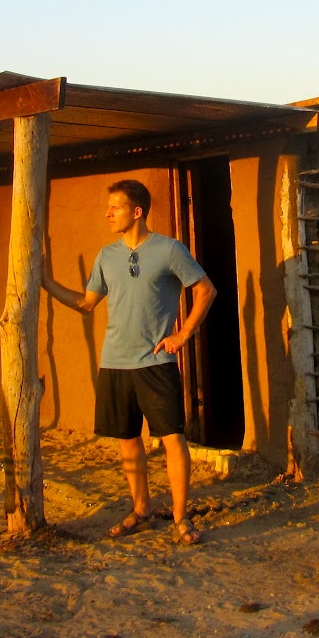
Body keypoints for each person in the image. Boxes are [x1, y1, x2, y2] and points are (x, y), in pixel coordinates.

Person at [43, 179, 215, 545]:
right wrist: (46, 282)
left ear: (136, 211)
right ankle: (141, 509)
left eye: (115, 207)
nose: (108, 214)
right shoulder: (107, 256)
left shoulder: (169, 250)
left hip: (155, 363)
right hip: (115, 363)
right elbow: (86, 304)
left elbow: (205, 290)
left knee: (173, 440)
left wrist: (183, 334)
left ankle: (181, 518)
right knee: (127, 441)